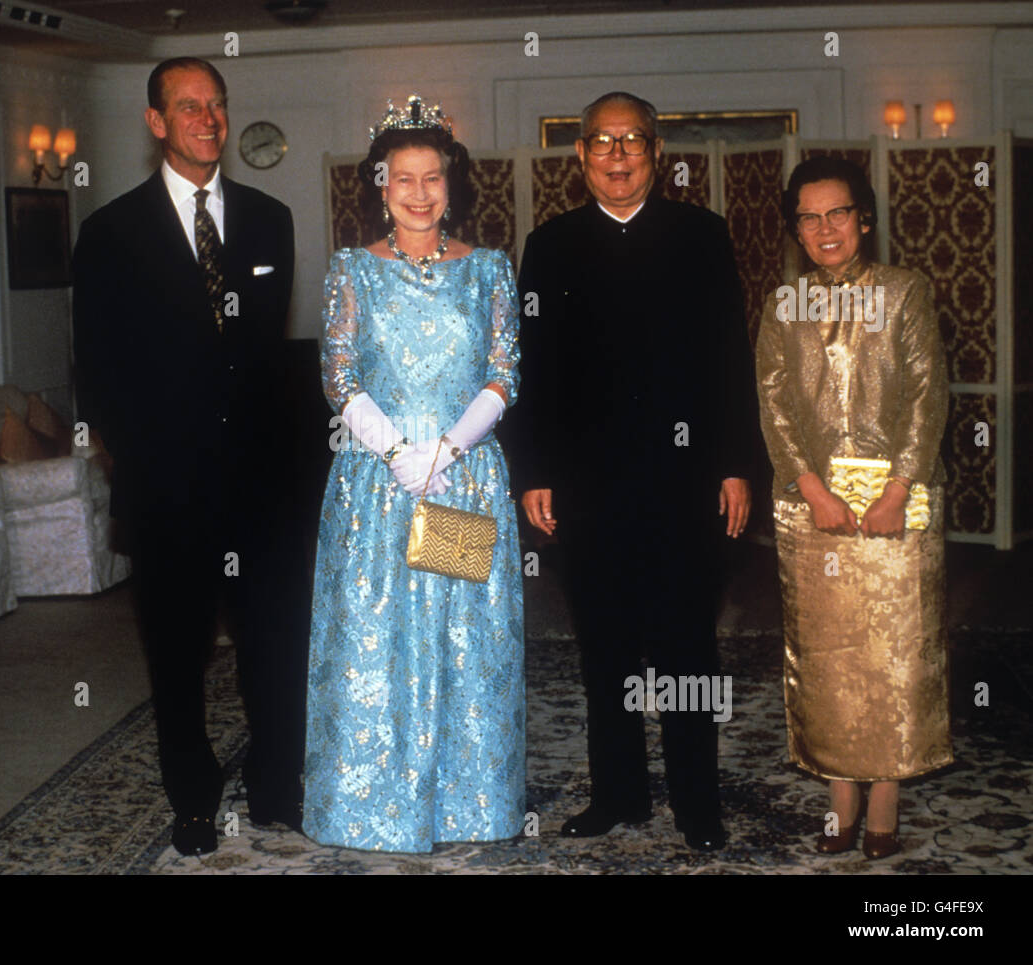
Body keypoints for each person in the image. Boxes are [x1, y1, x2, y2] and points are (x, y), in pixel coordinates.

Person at [499, 91, 757, 852]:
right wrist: (533, 470)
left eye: (632, 141)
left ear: (657, 151)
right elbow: (533, 365)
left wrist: (739, 464)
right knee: (603, 645)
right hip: (585, 487)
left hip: (686, 483)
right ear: (579, 155)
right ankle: (617, 794)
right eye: (602, 142)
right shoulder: (549, 245)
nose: (616, 155)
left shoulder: (703, 236)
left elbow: (730, 360)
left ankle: (696, 800)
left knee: (685, 646)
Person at [71, 57, 310, 857]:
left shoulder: (270, 218)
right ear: (155, 122)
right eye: (189, 107)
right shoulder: (110, 233)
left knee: (275, 646)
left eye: (217, 105)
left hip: (264, 490)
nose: (208, 119)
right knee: (176, 657)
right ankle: (194, 799)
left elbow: (266, 356)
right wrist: (146, 459)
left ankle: (280, 787)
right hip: (167, 490)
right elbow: (96, 372)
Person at [303, 95, 525, 853]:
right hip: (378, 484)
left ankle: (464, 804)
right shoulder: (351, 272)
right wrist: (397, 451)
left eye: (433, 178)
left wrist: (447, 450)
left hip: (459, 481)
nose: (420, 193)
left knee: (461, 641)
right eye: (405, 178)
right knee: (379, 640)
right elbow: (337, 373)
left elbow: (504, 373)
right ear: (380, 183)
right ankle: (375, 804)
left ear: (452, 185)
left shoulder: (490, 269)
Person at [755, 156, 951, 859]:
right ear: (796, 231)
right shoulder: (784, 305)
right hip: (814, 511)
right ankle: (841, 794)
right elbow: (773, 404)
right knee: (829, 657)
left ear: (863, 218)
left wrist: (900, 486)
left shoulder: (904, 293)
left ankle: (887, 797)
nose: (825, 228)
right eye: (809, 217)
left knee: (896, 655)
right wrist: (808, 487)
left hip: (897, 506)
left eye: (838, 212)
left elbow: (928, 394)